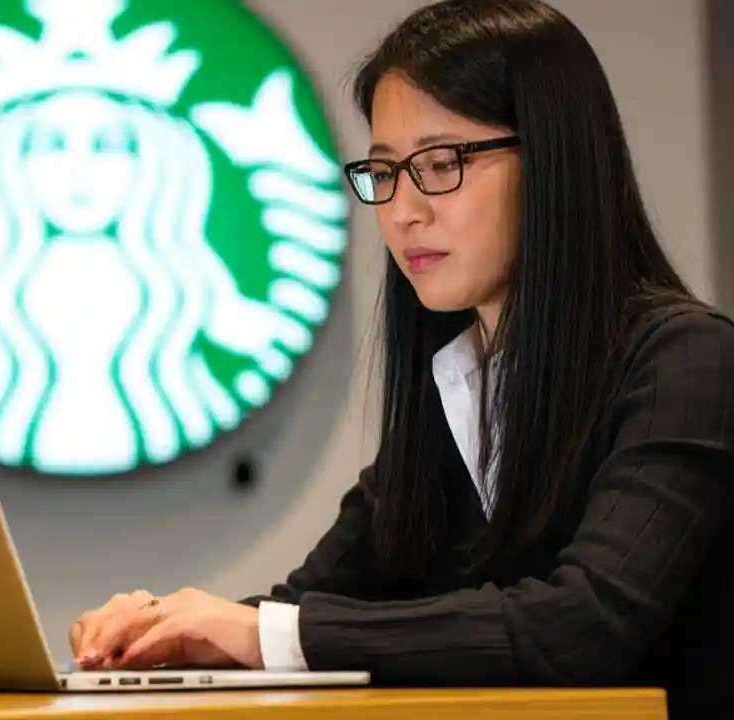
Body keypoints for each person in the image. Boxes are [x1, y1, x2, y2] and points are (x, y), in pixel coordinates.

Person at [66, 0, 734, 716]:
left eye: (441, 163)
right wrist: (170, 630)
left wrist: (256, 631)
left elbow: (580, 625)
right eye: (384, 172)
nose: (404, 210)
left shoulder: (686, 363)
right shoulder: (455, 386)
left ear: (554, 158)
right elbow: (313, 605)